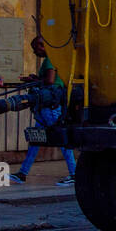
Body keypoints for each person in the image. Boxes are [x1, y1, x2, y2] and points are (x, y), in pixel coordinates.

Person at [10, 36, 76, 186]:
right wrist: (35, 79)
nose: (34, 52)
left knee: (62, 140)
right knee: (36, 139)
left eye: (35, 49)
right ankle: (22, 173)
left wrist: (33, 81)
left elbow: (50, 81)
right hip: (45, 108)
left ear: (43, 46)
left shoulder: (50, 60)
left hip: (50, 108)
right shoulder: (49, 60)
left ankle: (74, 174)